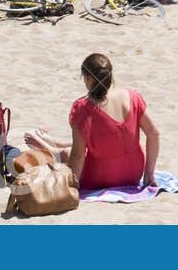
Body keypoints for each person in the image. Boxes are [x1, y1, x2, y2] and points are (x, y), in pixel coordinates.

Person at [23, 54, 158, 191]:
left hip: (100, 177)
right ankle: (55, 143)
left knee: (69, 152)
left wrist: (72, 186)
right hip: (134, 173)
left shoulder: (82, 108)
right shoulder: (133, 96)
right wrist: (149, 173)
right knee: (100, 142)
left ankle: (51, 150)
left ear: (88, 78)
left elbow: (78, 156)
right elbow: (154, 133)